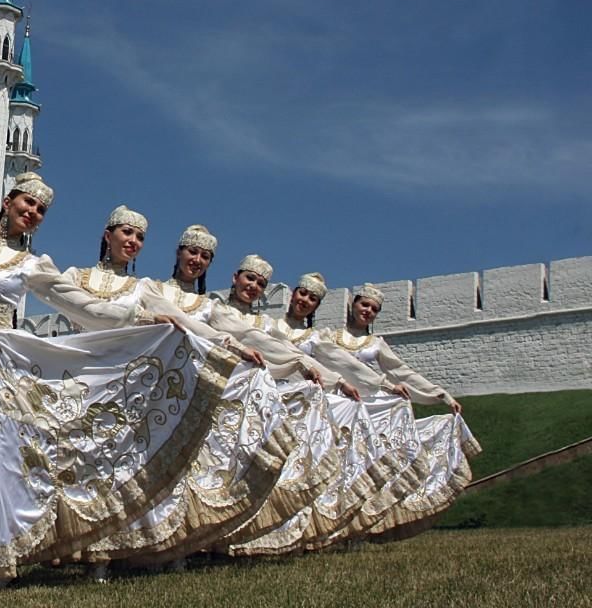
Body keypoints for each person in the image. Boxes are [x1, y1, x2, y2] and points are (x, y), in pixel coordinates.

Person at [0, 174, 246, 594]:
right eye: (27, 203)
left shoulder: (31, 264)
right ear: (7, 202)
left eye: (40, 210)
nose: (32, 213)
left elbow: (82, 304)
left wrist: (145, 319)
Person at [60, 209, 291, 575]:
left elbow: (212, 331)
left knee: (146, 467)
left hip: (155, 387)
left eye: (204, 257)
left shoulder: (182, 299)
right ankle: (78, 548)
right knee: (86, 464)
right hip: (86, 375)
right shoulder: (131, 285)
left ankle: (158, 548)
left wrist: (247, 351)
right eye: (192, 253)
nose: (196, 261)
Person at [231, 273, 392, 556]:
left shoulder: (314, 337)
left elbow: (335, 362)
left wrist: (372, 384)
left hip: (299, 406)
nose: (305, 301)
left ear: (317, 306)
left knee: (292, 468)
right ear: (293, 294)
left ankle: (289, 535)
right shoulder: (270, 325)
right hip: (265, 398)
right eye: (302, 294)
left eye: (313, 298)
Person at [324, 284, 481, 543]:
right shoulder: (330, 337)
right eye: (365, 305)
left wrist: (440, 394)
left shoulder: (376, 344)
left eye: (374, 309)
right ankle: (327, 528)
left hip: (372, 409)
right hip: (338, 405)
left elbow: (403, 372)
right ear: (352, 304)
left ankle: (359, 529)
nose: (368, 311)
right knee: (336, 466)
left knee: (365, 467)